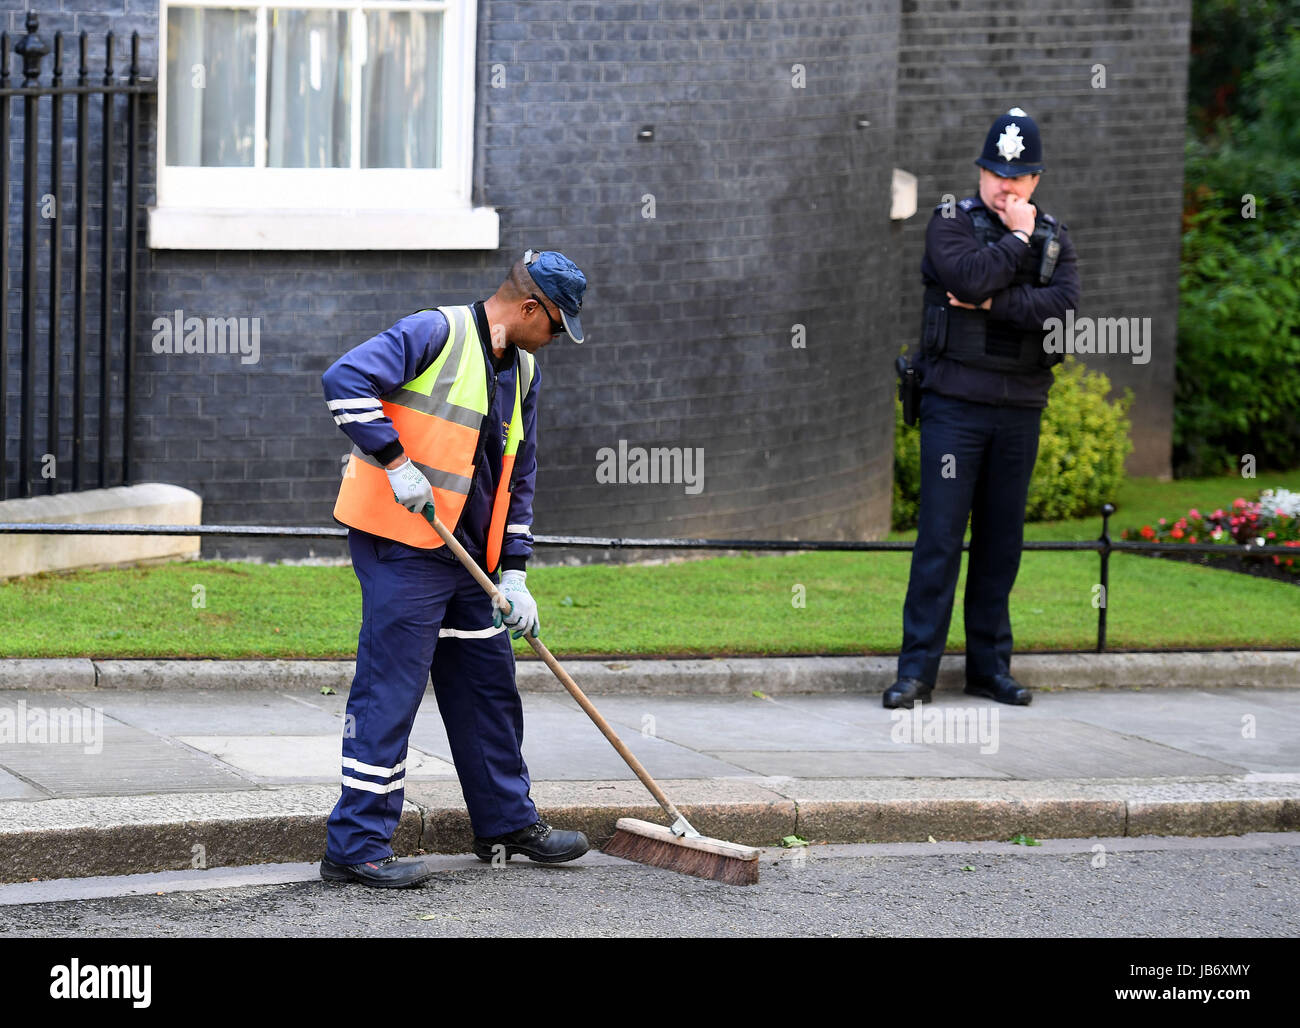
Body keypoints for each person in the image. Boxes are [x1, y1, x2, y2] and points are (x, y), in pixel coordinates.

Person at [318, 250, 591, 887]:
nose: (555, 339)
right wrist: (393, 461)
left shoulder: (523, 373)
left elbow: (517, 475)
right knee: (390, 694)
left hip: (474, 564)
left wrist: (516, 571)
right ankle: (355, 847)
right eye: (554, 325)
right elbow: (344, 380)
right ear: (529, 308)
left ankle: (504, 824)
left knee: (487, 687)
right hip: (403, 545)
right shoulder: (435, 332)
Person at [884, 108, 1081, 710]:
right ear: (981, 171)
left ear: (1036, 180)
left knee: (1002, 543)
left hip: (1019, 409)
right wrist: (1016, 247)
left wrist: (995, 302)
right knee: (939, 540)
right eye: (996, 173)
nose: (1005, 185)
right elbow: (966, 279)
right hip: (954, 408)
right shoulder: (951, 222)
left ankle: (988, 669)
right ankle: (916, 672)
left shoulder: (1056, 238)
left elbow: (1064, 314)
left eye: (1018, 177)